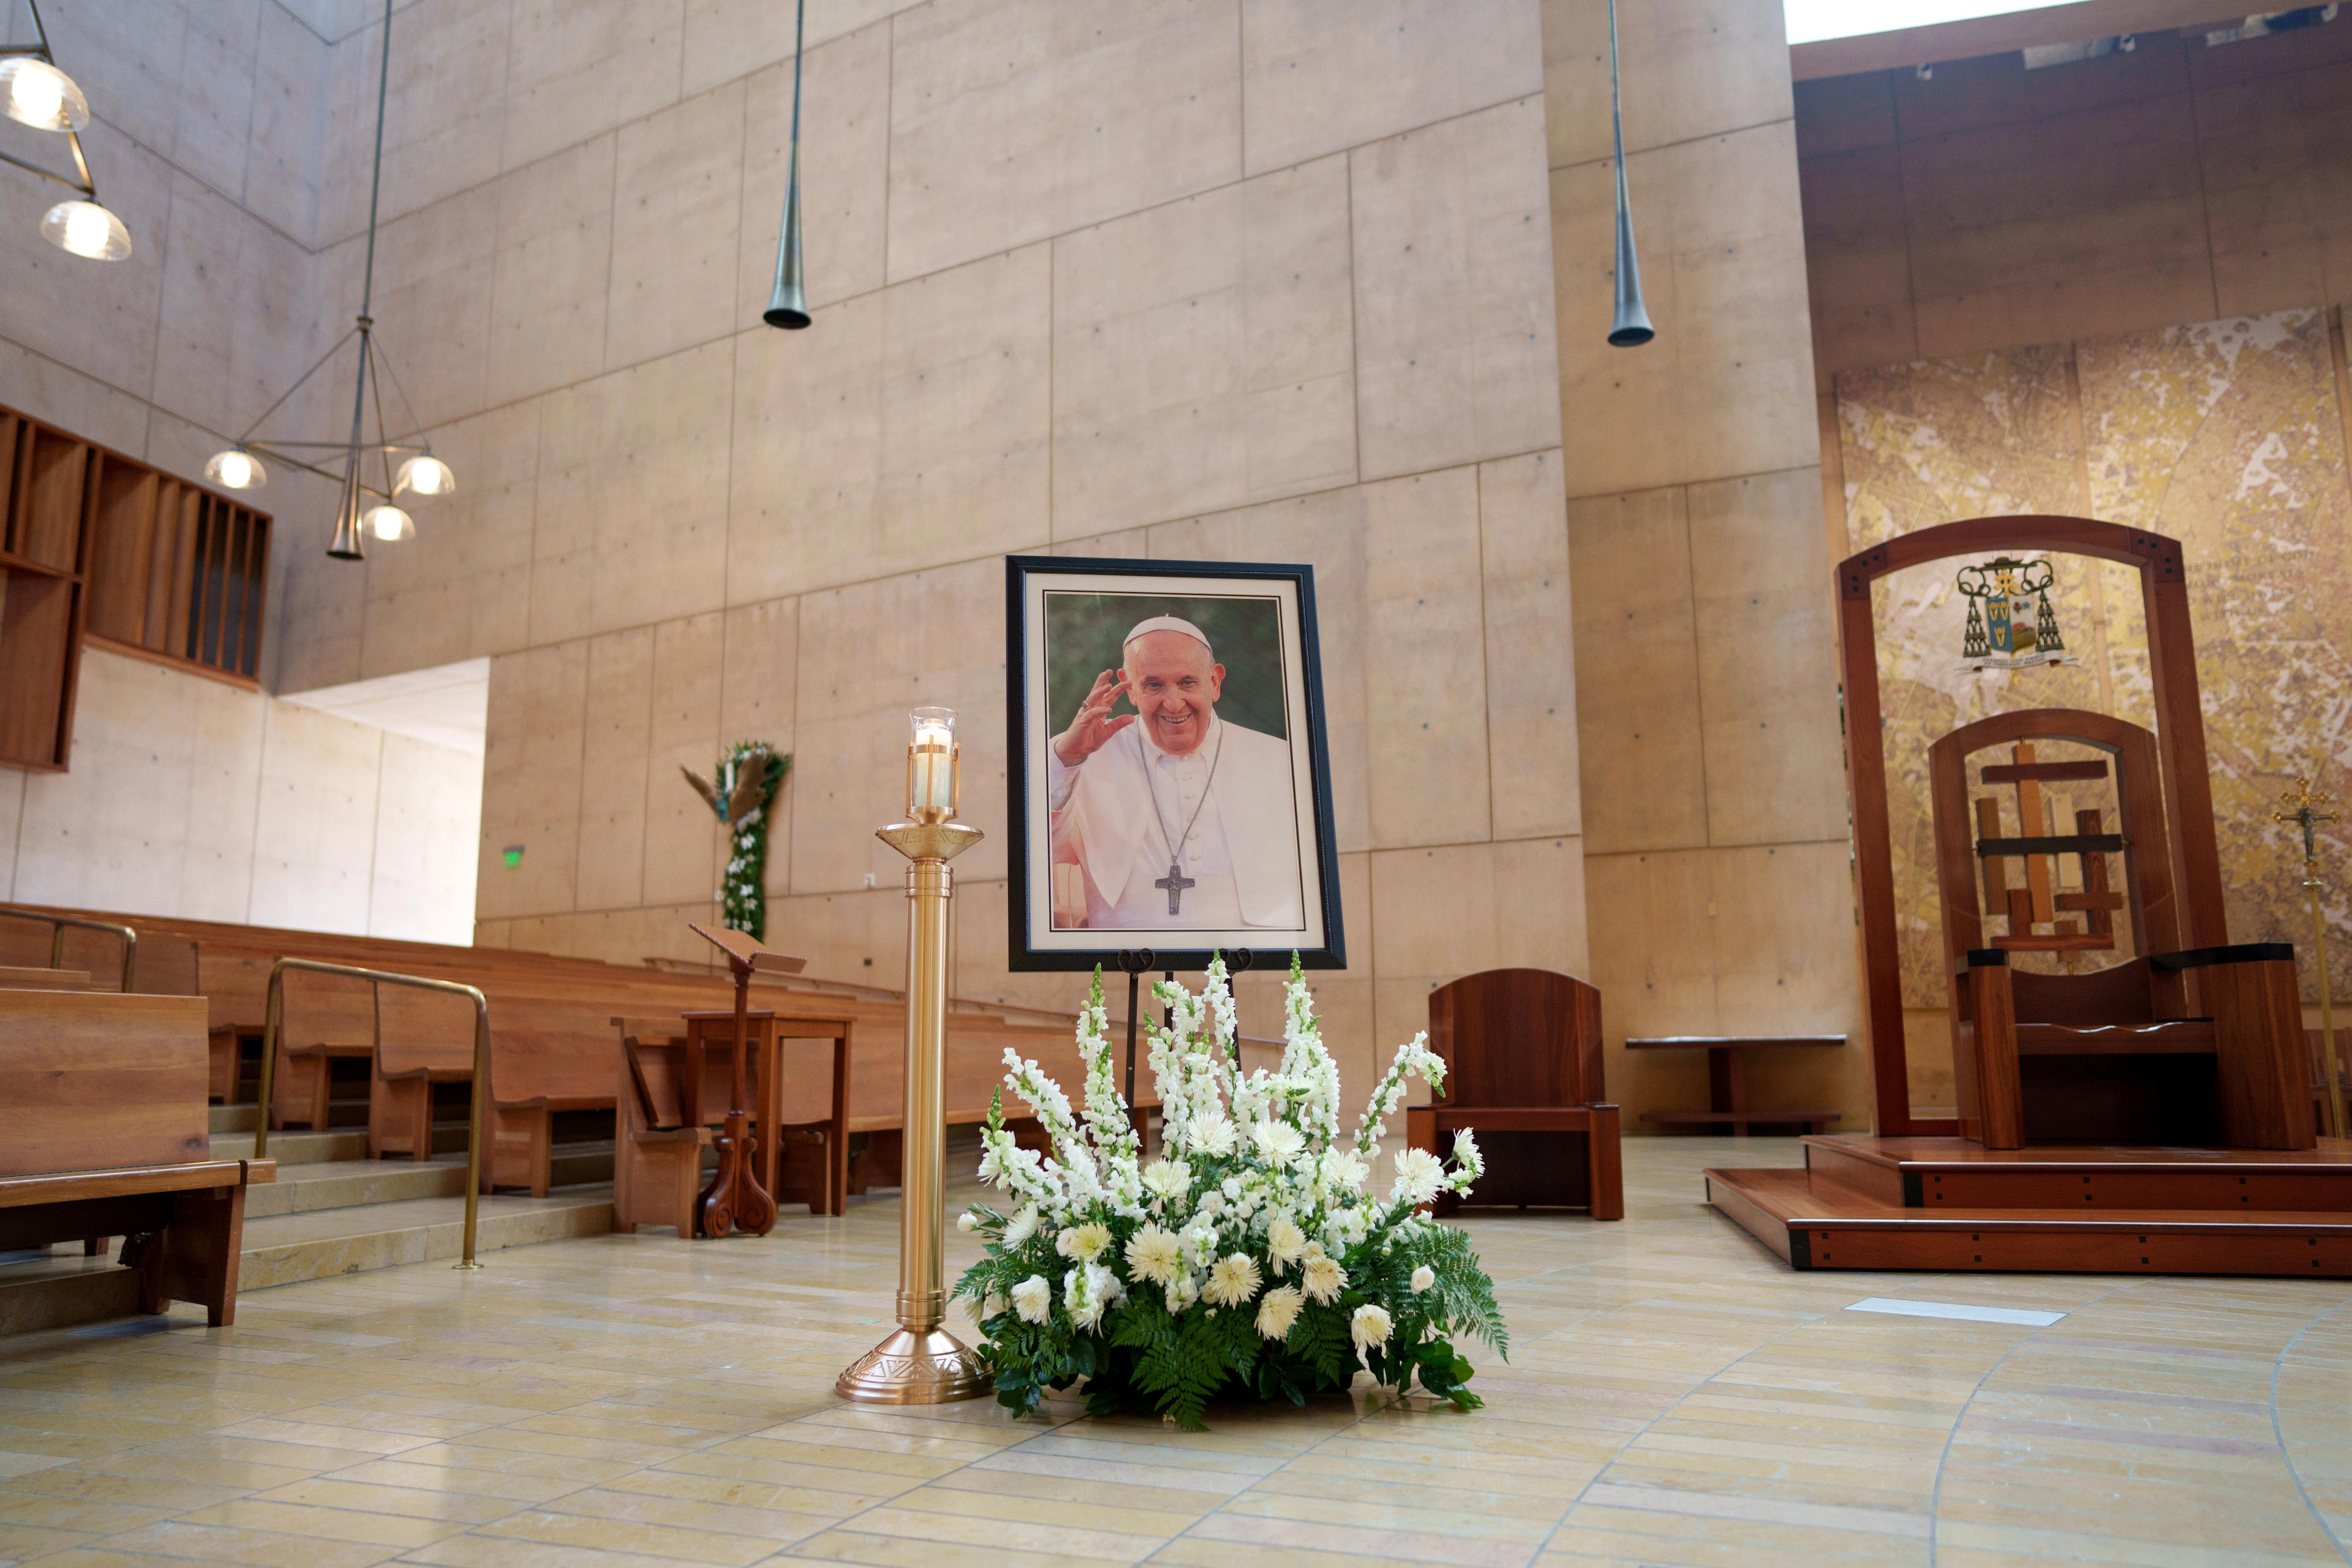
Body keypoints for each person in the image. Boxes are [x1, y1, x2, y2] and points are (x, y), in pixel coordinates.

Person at [1047, 615, 1304, 931]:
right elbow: (1045, 849)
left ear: (1214, 682)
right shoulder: (1086, 755)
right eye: (1153, 684)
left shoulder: (1280, 760)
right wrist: (1065, 760)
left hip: (1252, 958)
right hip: (1128, 955)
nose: (1173, 703)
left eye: (1187, 682)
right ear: (1130, 688)